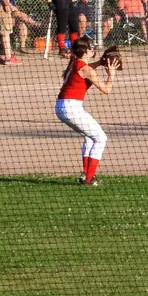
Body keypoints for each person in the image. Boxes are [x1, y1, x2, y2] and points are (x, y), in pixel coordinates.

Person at [55, 36, 121, 185]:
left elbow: (87, 68)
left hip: (62, 106)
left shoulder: (75, 62)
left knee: (90, 137)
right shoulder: (85, 69)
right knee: (100, 138)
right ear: (84, 51)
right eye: (90, 48)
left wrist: (99, 62)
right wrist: (111, 75)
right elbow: (106, 90)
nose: (93, 49)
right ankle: (89, 179)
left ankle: (86, 175)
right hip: (71, 108)